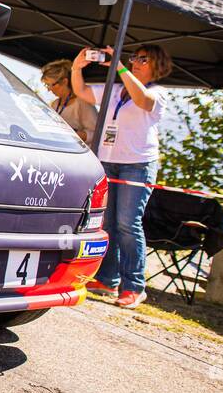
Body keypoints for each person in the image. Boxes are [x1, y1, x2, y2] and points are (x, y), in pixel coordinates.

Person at [71, 44, 172, 309]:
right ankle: (107, 279)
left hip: (137, 164)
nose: (136, 62)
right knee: (109, 222)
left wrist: (120, 67)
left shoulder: (157, 93)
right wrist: (77, 67)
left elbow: (142, 101)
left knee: (128, 224)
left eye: (143, 59)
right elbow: (81, 92)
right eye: (133, 58)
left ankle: (134, 287)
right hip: (109, 161)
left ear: (157, 65)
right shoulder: (116, 89)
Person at [40, 58, 98, 143]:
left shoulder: (83, 102)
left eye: (50, 85)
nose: (49, 89)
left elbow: (96, 134)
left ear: (64, 82)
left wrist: (74, 135)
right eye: (46, 85)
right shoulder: (55, 103)